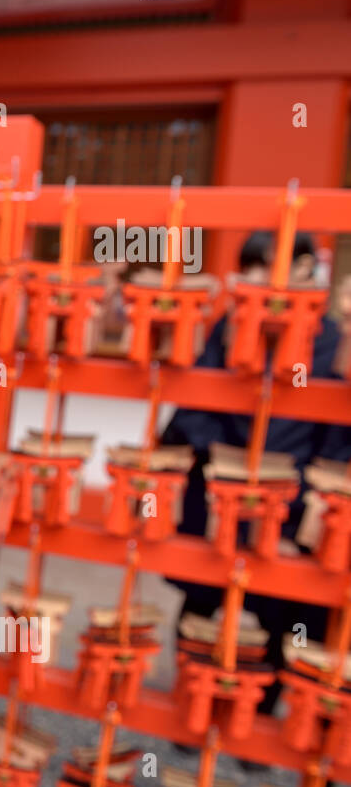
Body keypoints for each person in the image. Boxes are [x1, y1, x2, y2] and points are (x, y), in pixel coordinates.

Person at [159, 230, 351, 716]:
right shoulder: (230, 328)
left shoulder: (329, 340)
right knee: (204, 593)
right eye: (255, 268)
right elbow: (194, 404)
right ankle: (192, 694)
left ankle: (260, 706)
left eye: (274, 267)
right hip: (223, 484)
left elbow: (333, 433)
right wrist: (219, 460)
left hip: (291, 493)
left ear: (307, 270)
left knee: (283, 606)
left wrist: (303, 500)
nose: (264, 279)